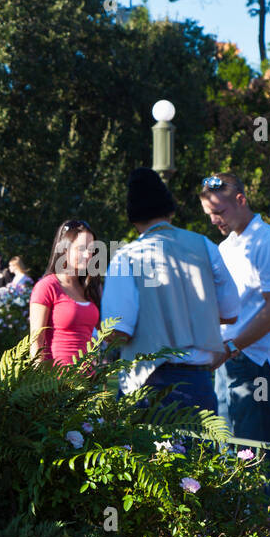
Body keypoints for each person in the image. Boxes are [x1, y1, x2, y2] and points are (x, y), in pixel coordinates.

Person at [102, 168, 238, 414]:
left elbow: (120, 330)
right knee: (200, 453)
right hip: (199, 384)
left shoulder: (127, 257)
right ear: (171, 210)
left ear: (133, 218)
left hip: (147, 385)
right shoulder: (206, 247)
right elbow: (231, 311)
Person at [201, 172, 270, 505]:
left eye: (220, 212)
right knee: (230, 461)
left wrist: (229, 347)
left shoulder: (268, 243)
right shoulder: (226, 247)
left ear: (241, 200)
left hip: (256, 366)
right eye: (210, 215)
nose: (215, 221)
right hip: (230, 361)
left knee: (256, 463)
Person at [29, 220, 101, 368]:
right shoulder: (47, 287)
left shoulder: (89, 288)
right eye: (82, 248)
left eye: (91, 249)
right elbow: (36, 341)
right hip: (56, 383)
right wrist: (40, 384)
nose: (88, 254)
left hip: (87, 382)